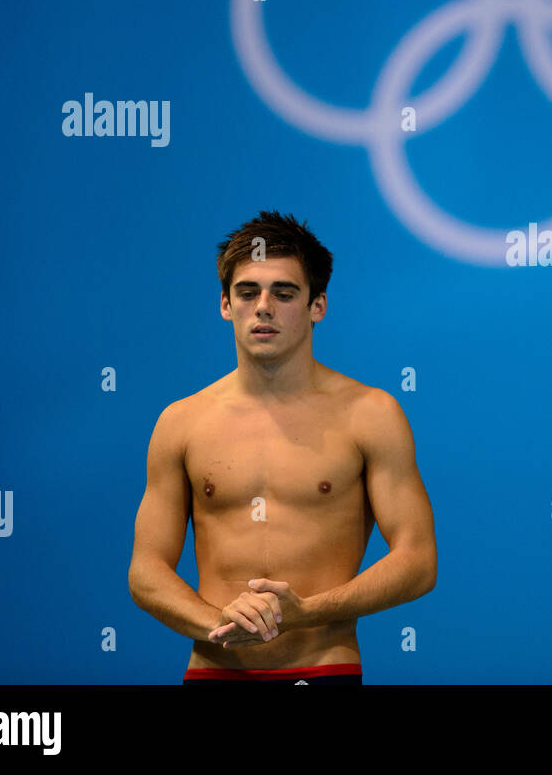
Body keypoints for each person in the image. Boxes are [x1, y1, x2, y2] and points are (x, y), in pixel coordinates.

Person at [127, 210, 436, 685]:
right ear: (226, 305)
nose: (264, 306)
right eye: (247, 292)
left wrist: (307, 611)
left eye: (284, 292)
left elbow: (418, 561)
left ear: (318, 306)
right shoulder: (181, 422)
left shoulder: (371, 414)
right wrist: (223, 625)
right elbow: (145, 570)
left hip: (322, 666)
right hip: (214, 671)